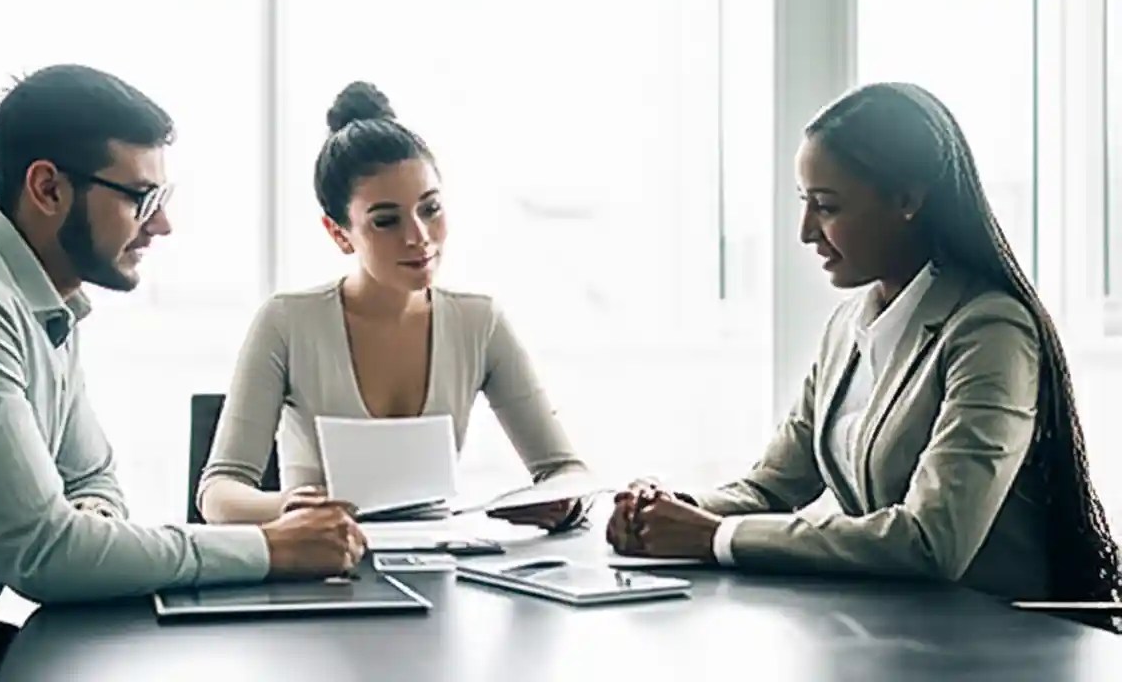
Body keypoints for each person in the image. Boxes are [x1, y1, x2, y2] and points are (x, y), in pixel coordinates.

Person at [0, 64, 365, 680]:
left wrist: (85, 529)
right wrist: (269, 547)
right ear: (47, 188)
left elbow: (94, 479)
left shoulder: (42, 305)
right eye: (141, 198)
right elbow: (45, 554)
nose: (161, 224)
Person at [608, 82, 1122, 608]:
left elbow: (931, 541)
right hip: (893, 629)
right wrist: (667, 512)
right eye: (805, 203)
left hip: (995, 642)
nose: (807, 231)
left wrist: (714, 538)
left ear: (907, 200)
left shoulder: (990, 331)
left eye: (826, 207)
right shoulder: (846, 327)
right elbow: (773, 486)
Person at [199, 82, 590, 531]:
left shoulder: (480, 322)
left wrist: (564, 504)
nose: (418, 237)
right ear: (339, 233)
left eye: (431, 209)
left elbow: (566, 471)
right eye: (386, 221)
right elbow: (219, 493)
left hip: (441, 574)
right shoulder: (287, 322)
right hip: (316, 568)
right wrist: (290, 508)